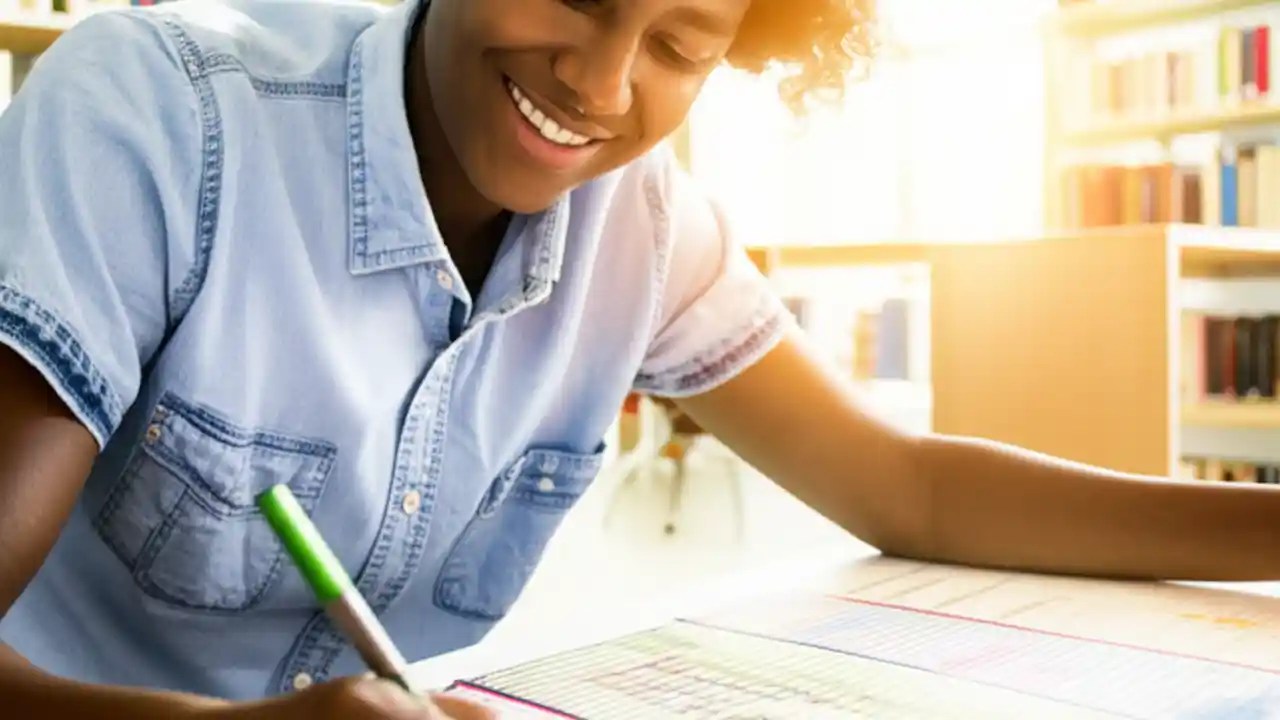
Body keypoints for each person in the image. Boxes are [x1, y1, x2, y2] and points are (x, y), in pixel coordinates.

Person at [2, 0, 1278, 717]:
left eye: (678, 47)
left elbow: (909, 491)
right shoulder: (163, 113)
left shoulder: (646, 222)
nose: (600, 83)